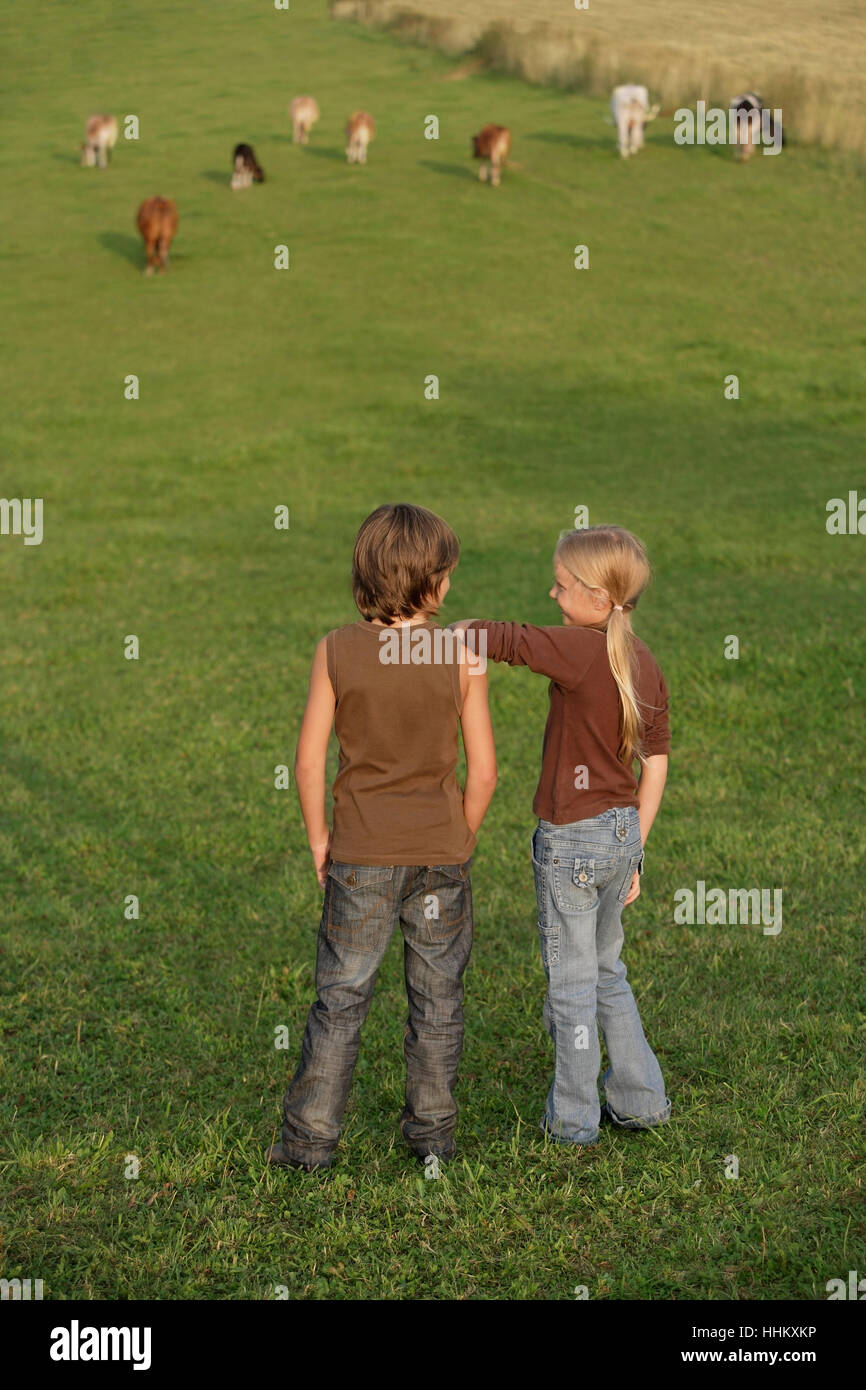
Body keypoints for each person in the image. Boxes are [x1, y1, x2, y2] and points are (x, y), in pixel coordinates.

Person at [267, 503, 497, 1171]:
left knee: (340, 998)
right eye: (447, 573)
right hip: (440, 856)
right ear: (433, 583)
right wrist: (459, 835)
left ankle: (308, 1144)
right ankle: (433, 1138)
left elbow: (309, 761)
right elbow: (483, 771)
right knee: (437, 998)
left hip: (361, 854)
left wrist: (320, 840)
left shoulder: (336, 649)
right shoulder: (461, 653)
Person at [451, 524, 671, 1147]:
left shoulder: (581, 649)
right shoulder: (645, 662)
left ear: (600, 599)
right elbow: (655, 763)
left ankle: (573, 1121)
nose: (551, 594)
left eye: (562, 584)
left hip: (572, 844)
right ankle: (641, 1099)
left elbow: (505, 640)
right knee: (607, 971)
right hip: (620, 835)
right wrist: (635, 851)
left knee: (572, 986)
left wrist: (435, 639)